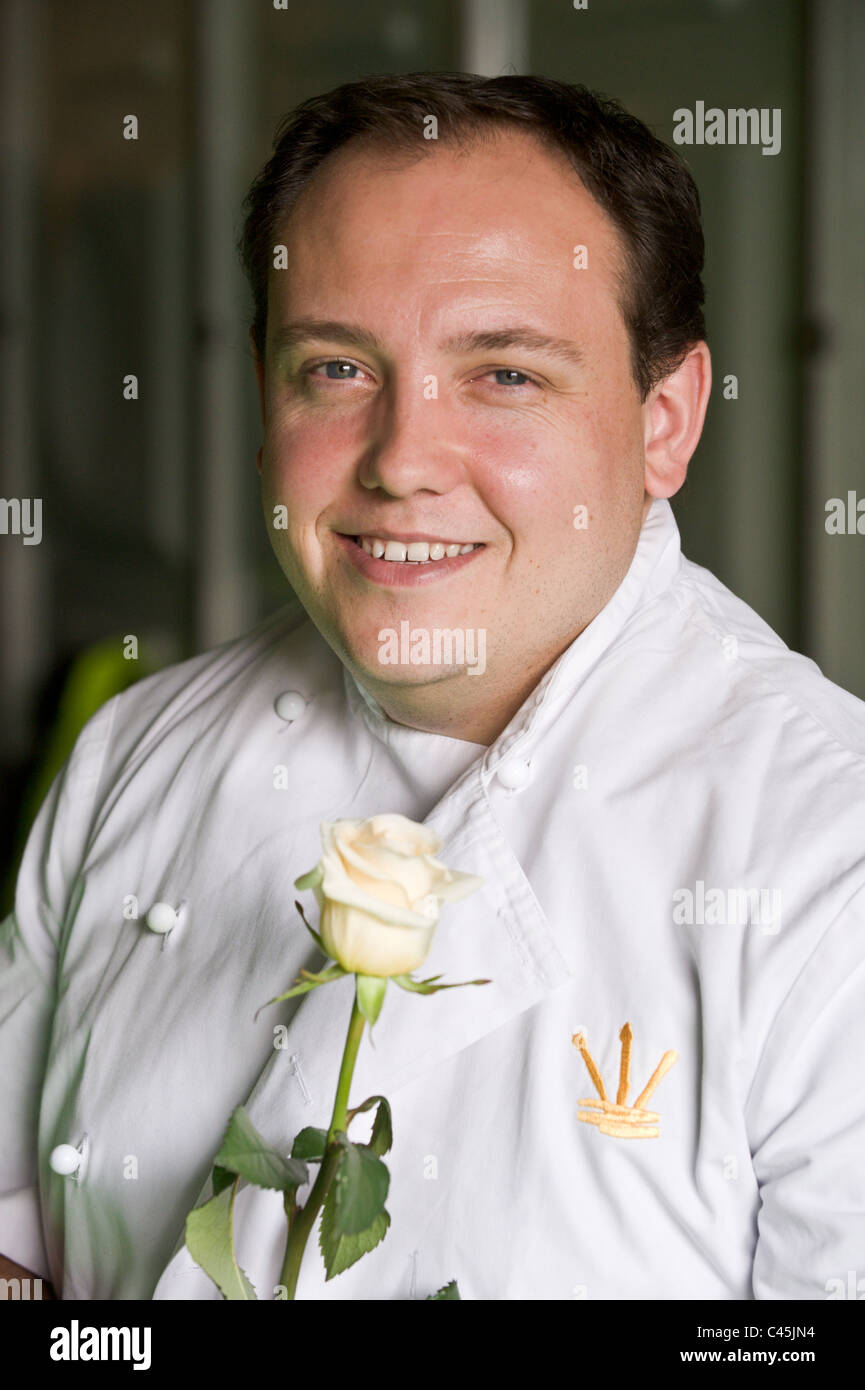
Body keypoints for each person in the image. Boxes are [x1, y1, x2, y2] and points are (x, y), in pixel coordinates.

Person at [1, 71, 863, 1302]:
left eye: (504, 374)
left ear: (664, 418)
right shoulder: (135, 755)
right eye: (337, 370)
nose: (402, 461)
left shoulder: (830, 859)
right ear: (261, 393)